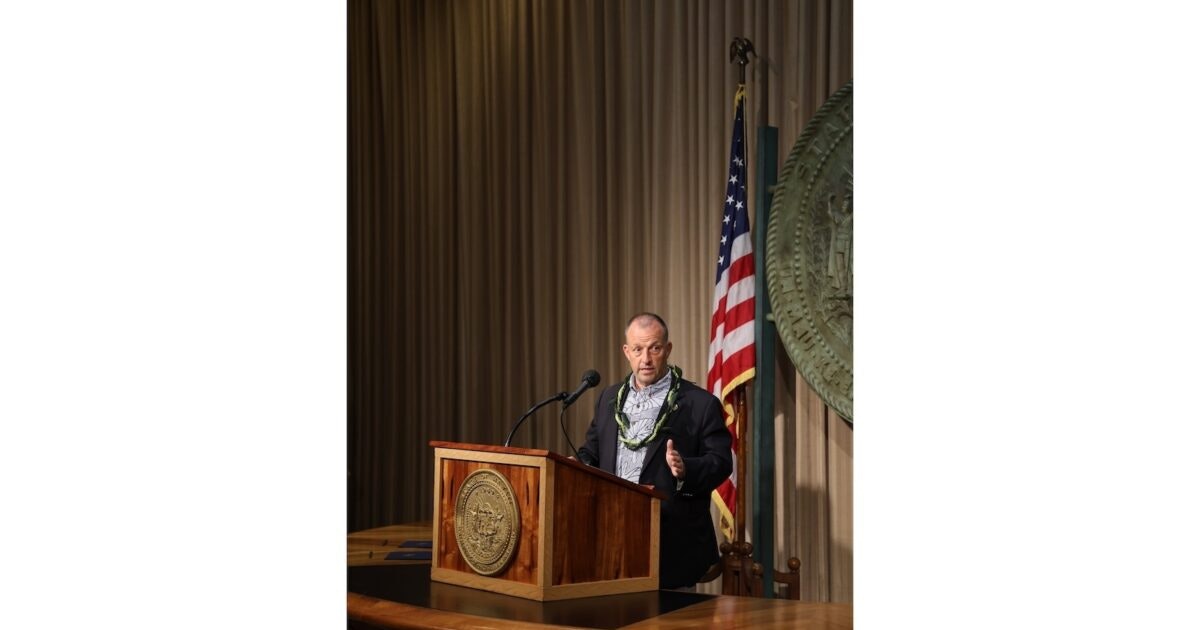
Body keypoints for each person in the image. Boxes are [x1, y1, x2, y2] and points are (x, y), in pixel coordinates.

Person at [577, 312, 732, 589]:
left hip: (672, 545)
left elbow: (721, 462)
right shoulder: (609, 398)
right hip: (611, 540)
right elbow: (592, 451)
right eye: (638, 349)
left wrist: (686, 468)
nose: (646, 359)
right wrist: (577, 463)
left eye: (655, 348)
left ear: (668, 349)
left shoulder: (699, 403)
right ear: (627, 352)